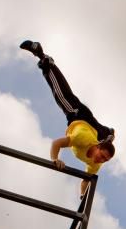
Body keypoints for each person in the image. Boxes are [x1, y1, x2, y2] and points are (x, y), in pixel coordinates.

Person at [20, 40, 115, 197]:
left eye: (105, 160)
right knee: (61, 94)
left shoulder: (95, 165)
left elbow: (85, 180)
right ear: (98, 148)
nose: (101, 160)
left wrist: (82, 196)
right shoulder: (81, 138)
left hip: (94, 129)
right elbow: (56, 143)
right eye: (102, 156)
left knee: (104, 133)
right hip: (78, 115)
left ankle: (109, 133)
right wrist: (54, 159)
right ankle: (44, 59)